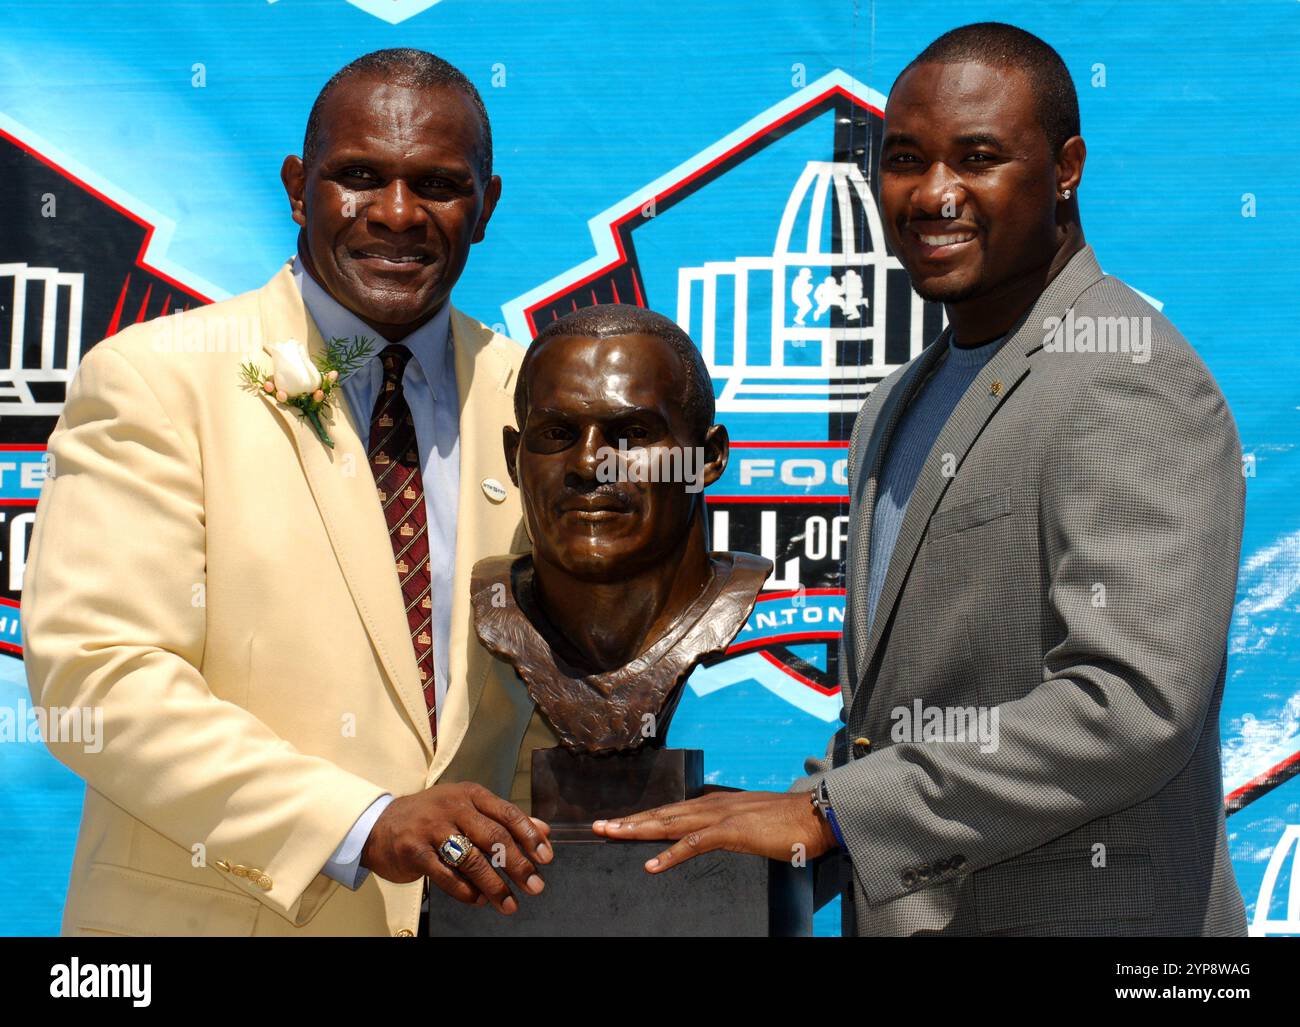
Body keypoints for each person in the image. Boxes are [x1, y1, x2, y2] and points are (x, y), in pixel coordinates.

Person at [594, 22, 1247, 937]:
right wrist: (805, 812)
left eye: (978, 158)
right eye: (905, 159)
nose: (935, 194)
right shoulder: (900, 398)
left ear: (1067, 167)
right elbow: (900, 716)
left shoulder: (1125, 373)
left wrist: (837, 814)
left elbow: (1128, 706)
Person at [22, 48, 558, 937]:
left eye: (436, 184)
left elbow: (550, 698)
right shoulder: (158, 381)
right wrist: (359, 822)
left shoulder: (533, 396)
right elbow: (98, 682)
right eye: (358, 178)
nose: (396, 215)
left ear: (487, 206)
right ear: (297, 187)